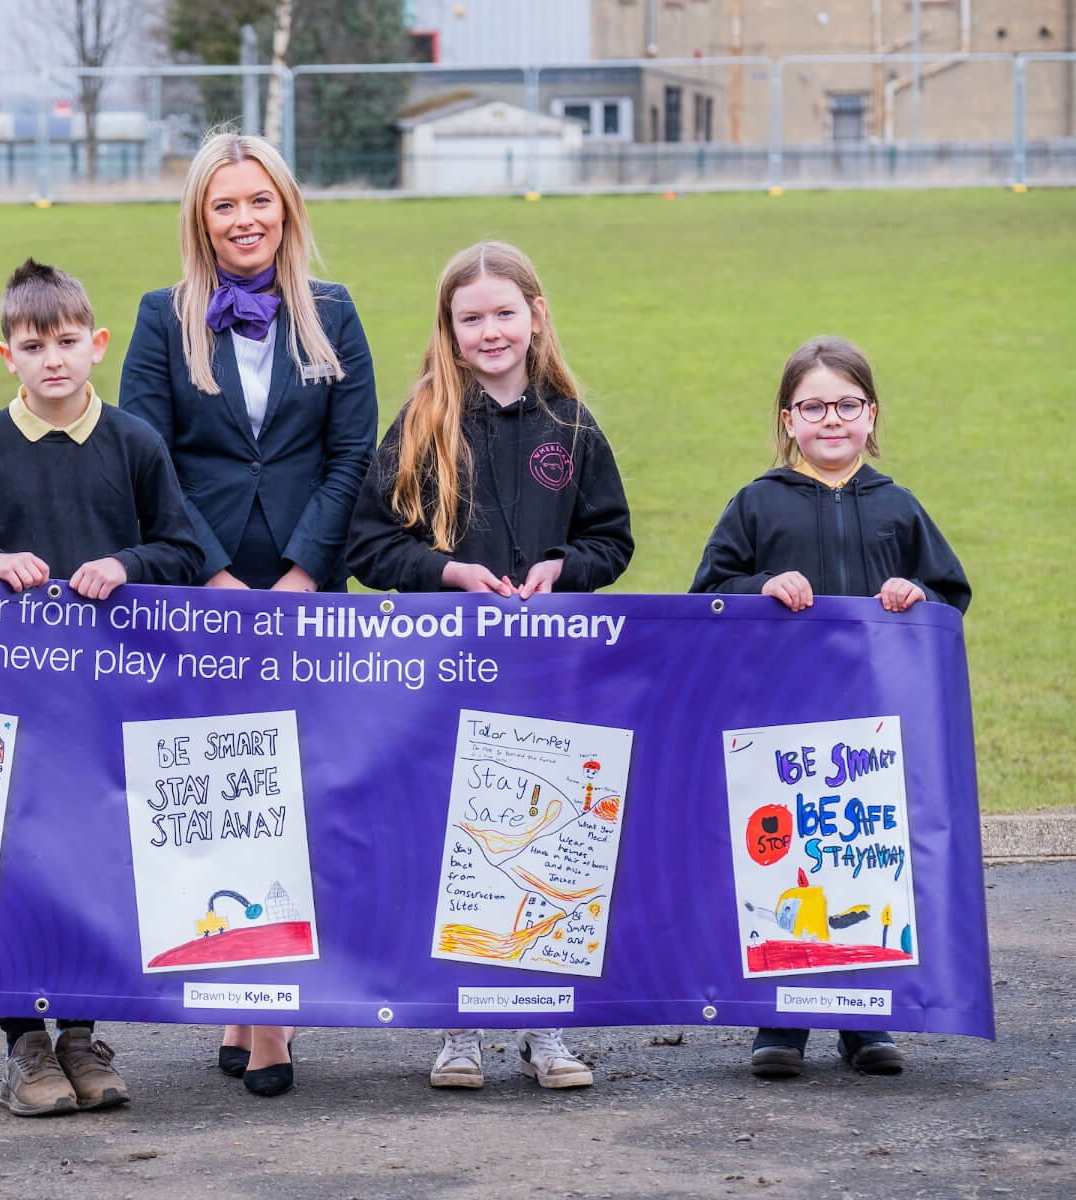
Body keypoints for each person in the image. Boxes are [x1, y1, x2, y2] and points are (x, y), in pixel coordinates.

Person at [118, 130, 377, 1098]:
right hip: (202, 592)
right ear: (201, 217)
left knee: (293, 796)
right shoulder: (161, 318)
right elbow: (150, 456)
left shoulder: (335, 315)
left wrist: (307, 570)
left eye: (259, 202)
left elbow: (353, 455)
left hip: (307, 596)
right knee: (225, 795)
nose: (244, 220)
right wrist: (214, 572)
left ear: (286, 209)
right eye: (225, 205)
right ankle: (256, 1016)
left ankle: (253, 1012)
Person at [0, 258, 202, 1116]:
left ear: (97, 346)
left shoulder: (134, 443)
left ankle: (81, 1032)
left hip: (108, 704)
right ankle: (24, 1044)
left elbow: (184, 550)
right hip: (10, 704)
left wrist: (126, 562)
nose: (53, 360)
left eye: (68, 343)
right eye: (33, 345)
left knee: (95, 863)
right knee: (11, 867)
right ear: (7, 354)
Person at [346, 240, 631, 1092]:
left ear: (536, 315)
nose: (491, 330)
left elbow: (610, 539)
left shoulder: (572, 426)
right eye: (471, 318)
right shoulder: (422, 422)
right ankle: (458, 1027)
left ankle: (546, 1027)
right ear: (450, 329)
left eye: (505, 312)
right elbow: (368, 545)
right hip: (446, 674)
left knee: (550, 841)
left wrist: (563, 570)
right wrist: (446, 572)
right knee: (460, 841)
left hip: (549, 675)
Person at [690, 334, 970, 1080]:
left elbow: (950, 596)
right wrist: (760, 588)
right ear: (788, 419)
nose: (832, 419)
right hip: (780, 721)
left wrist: (917, 596)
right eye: (813, 406)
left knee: (861, 869)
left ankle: (864, 1020)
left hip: (872, 727)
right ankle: (777, 1023)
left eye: (847, 404)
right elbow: (706, 595)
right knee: (785, 874)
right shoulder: (756, 503)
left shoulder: (898, 507)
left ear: (871, 414)